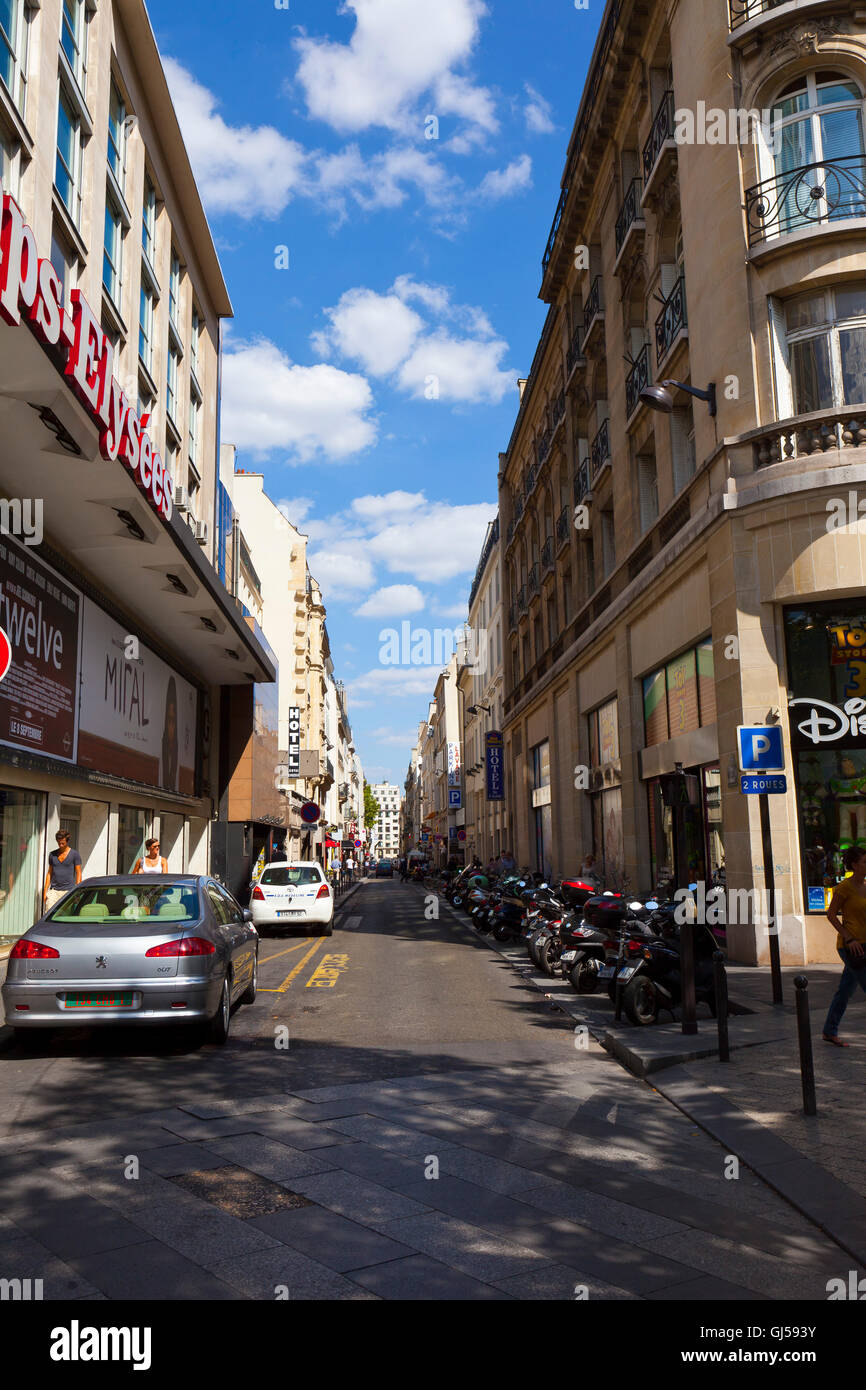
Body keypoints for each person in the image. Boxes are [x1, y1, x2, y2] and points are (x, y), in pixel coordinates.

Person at [823, 845, 866, 1046]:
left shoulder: (865, 886)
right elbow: (831, 915)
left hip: (865, 944)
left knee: (845, 991)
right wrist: (849, 938)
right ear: (855, 865)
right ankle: (830, 1031)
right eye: (865, 861)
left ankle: (829, 1031)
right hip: (851, 947)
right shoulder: (844, 888)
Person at [44, 830, 82, 911]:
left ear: (67, 842)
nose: (60, 845)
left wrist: (77, 891)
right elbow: (49, 873)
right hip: (54, 891)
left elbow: (78, 873)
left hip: (68, 891)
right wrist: (45, 892)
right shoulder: (52, 855)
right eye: (59, 843)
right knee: (48, 912)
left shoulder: (74, 854)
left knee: (65, 915)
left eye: (63, 843)